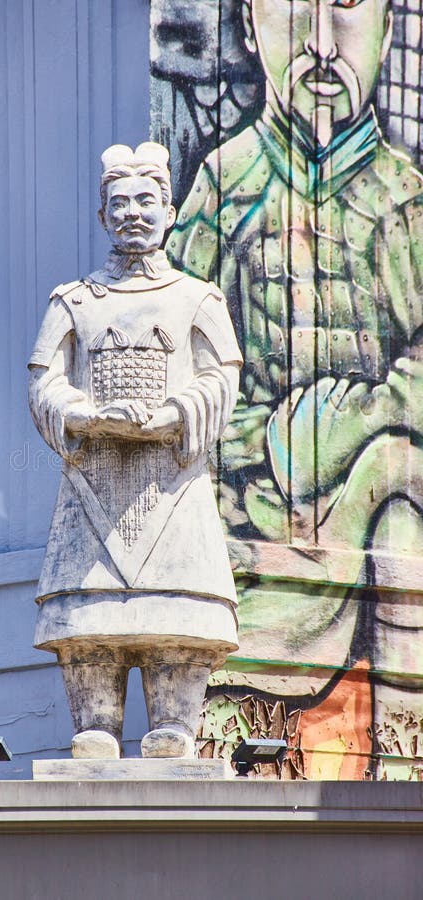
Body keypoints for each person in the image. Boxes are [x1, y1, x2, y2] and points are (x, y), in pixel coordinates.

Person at [167, 0, 423, 774]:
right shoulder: (223, 186)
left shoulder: (405, 204)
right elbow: (172, 374)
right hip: (252, 537)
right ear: (247, 28)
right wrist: (271, 443)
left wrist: (357, 430)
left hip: (376, 543)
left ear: (389, 26)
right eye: (289, 8)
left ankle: (403, 761)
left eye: (346, 8)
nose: (319, 42)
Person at [28, 141, 242, 760]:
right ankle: (95, 721)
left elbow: (221, 375)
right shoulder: (73, 301)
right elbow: (43, 381)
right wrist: (88, 414)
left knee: (178, 619)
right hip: (93, 480)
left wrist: (174, 412)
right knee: (90, 626)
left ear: (171, 211)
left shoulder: (198, 298)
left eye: (146, 201)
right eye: (118, 203)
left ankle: (174, 721)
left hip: (171, 480)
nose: (133, 213)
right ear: (101, 217)